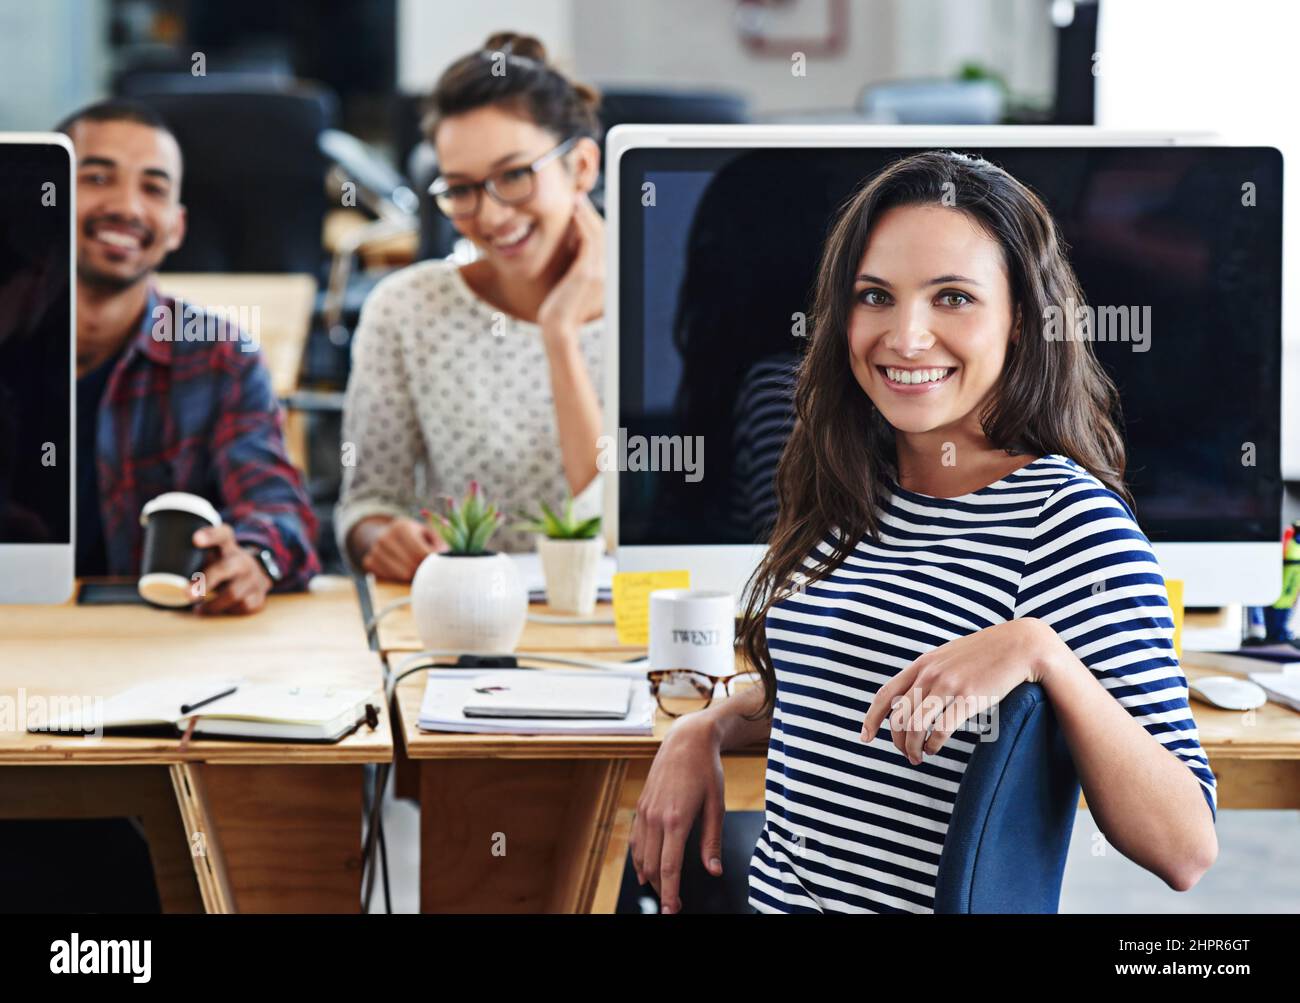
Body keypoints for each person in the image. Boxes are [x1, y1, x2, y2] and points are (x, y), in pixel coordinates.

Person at [630, 151, 1219, 914]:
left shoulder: (1068, 524)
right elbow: (842, 695)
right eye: (876, 296)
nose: (906, 336)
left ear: (1021, 321)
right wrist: (706, 726)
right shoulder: (846, 483)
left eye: (953, 297)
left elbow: (1185, 846)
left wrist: (1041, 652)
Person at [337, 32, 604, 581]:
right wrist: (382, 538)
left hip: (625, 630)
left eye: (513, 175)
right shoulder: (406, 310)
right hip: (463, 623)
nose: (491, 216)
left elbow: (613, 526)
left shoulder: (661, 309)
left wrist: (559, 334)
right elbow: (366, 504)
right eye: (461, 189)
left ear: (580, 166)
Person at [56, 99, 319, 613]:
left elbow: (278, 509)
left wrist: (252, 558)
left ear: (176, 227)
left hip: (154, 644)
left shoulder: (221, 356)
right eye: (97, 178)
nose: (127, 207)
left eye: (152, 188)